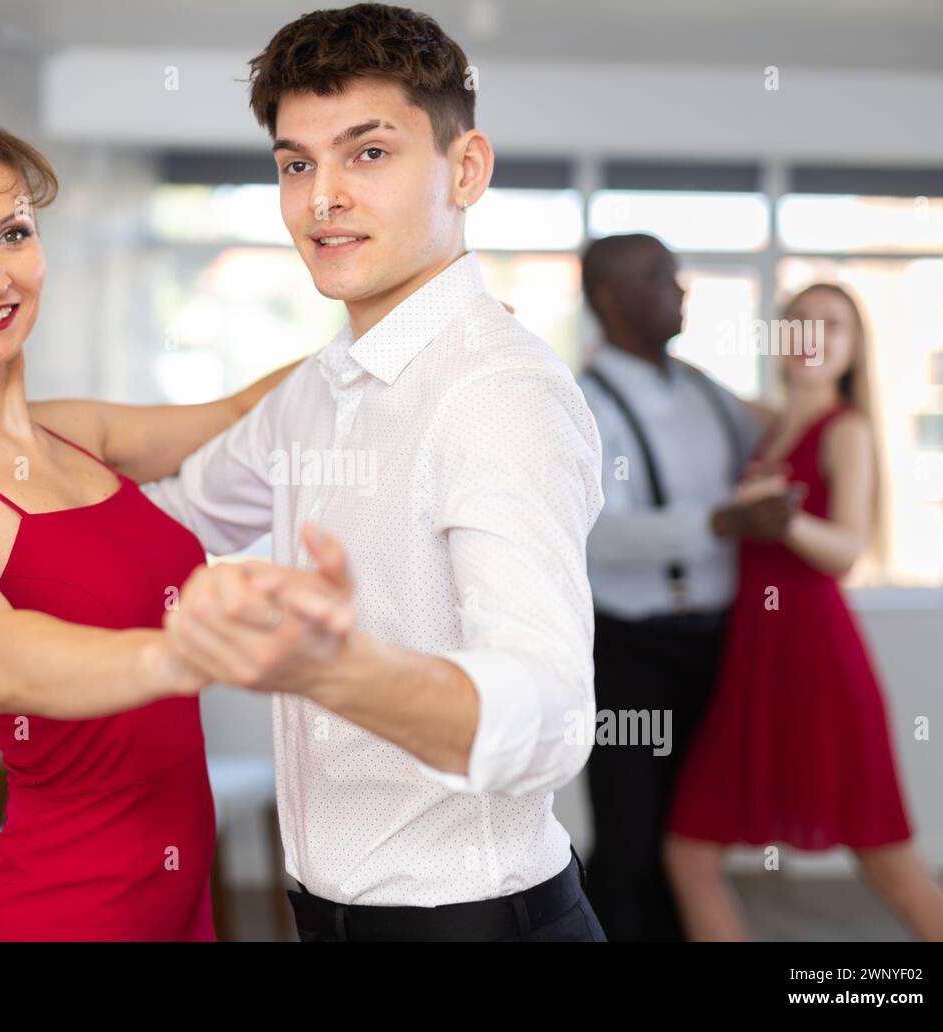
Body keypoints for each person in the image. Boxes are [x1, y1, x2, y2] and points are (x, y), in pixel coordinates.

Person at [140, 3, 608, 942]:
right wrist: (0, 623)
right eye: (296, 163)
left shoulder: (497, 392)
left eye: (369, 153)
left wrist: (349, 674)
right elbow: (170, 522)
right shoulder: (319, 391)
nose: (322, 199)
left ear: (464, 168)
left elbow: (552, 715)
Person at [0, 102, 311, 940]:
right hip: (55, 914)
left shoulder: (75, 433)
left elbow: (251, 408)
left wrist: (411, 333)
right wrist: (190, 649)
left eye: (13, 232)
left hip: (175, 906)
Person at [663, 283, 943, 941]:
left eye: (830, 326)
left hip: (818, 665)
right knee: (690, 853)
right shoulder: (772, 425)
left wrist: (783, 519)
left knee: (889, 864)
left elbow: (846, 552)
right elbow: (713, 393)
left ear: (854, 348)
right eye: (798, 322)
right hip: (755, 663)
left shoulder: (847, 430)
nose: (810, 337)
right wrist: (657, 354)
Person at [576, 232, 804, 941]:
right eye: (659, 278)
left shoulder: (706, 391)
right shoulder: (580, 404)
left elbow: (779, 441)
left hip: (717, 645)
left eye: (676, 275)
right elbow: (596, 536)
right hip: (631, 655)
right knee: (631, 839)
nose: (681, 290)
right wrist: (720, 521)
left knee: (693, 841)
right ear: (609, 299)